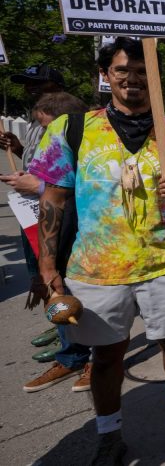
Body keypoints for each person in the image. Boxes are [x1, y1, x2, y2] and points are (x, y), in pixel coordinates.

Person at [29, 37, 165, 463]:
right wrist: (46, 265)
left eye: (141, 71)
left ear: (155, 78)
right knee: (107, 356)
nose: (132, 80)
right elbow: (53, 200)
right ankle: (109, 433)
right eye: (121, 71)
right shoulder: (74, 129)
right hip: (96, 269)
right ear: (105, 75)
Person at [3, 92, 93, 393]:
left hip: (79, 233)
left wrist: (39, 185)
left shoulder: (85, 139)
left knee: (89, 300)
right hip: (42, 228)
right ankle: (70, 355)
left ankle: (95, 359)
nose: (43, 134)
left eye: (46, 126)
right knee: (52, 289)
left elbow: (83, 186)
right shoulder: (51, 139)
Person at [0, 65, 67, 352]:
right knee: (39, 272)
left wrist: (40, 187)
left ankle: (72, 337)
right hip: (32, 207)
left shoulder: (65, 121)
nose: (31, 88)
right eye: (27, 83)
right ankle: (60, 323)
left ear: (57, 87)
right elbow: (34, 163)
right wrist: (16, 147)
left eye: (38, 83)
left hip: (54, 208)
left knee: (57, 270)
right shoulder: (36, 120)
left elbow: (63, 174)